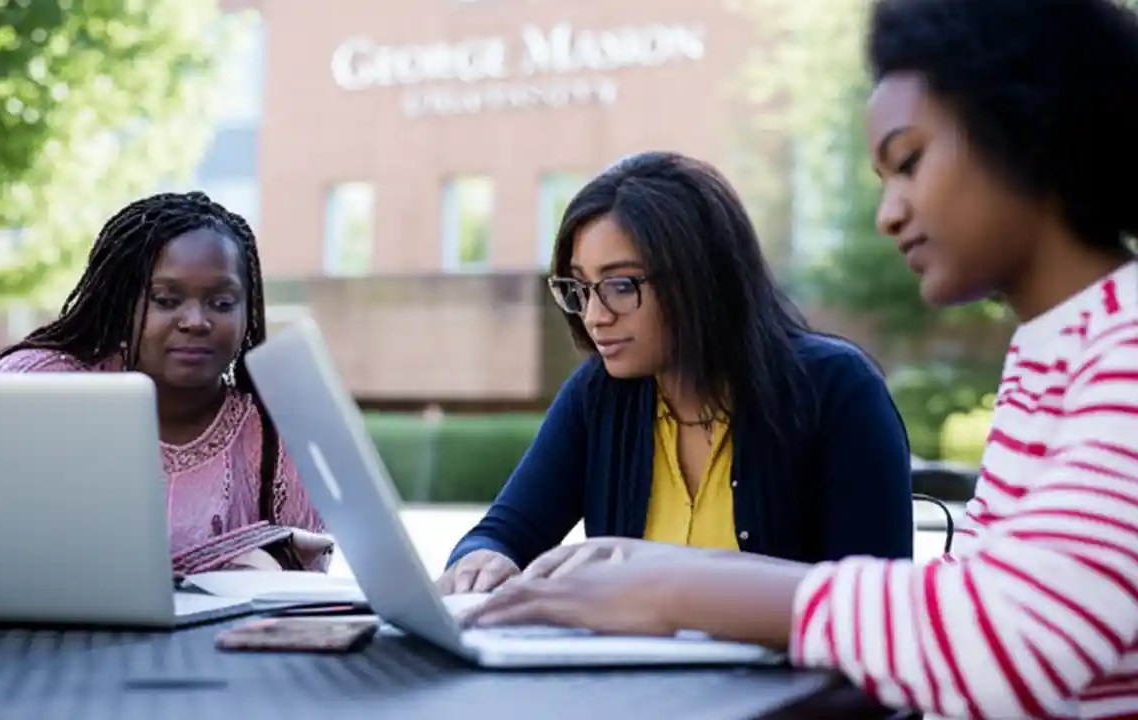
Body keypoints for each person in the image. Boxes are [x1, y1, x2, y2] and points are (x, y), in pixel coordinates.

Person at [464, 0, 1138, 717]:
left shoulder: (1123, 346)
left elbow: (1011, 639)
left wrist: (666, 585)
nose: (889, 215)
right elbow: (959, 614)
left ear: (1027, 130)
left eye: (909, 162)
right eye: (582, 290)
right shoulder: (1052, 352)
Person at [438, 151, 915, 595]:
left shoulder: (836, 390)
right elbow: (503, 532)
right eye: (579, 288)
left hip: (792, 685)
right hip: (635, 684)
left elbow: (873, 604)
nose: (594, 316)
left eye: (621, 286)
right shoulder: (597, 394)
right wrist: (483, 561)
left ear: (700, 279)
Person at [0, 191, 330, 573]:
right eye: (166, 300)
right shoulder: (36, 386)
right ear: (121, 303)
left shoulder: (275, 435)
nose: (196, 321)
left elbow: (303, 594)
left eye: (222, 303)